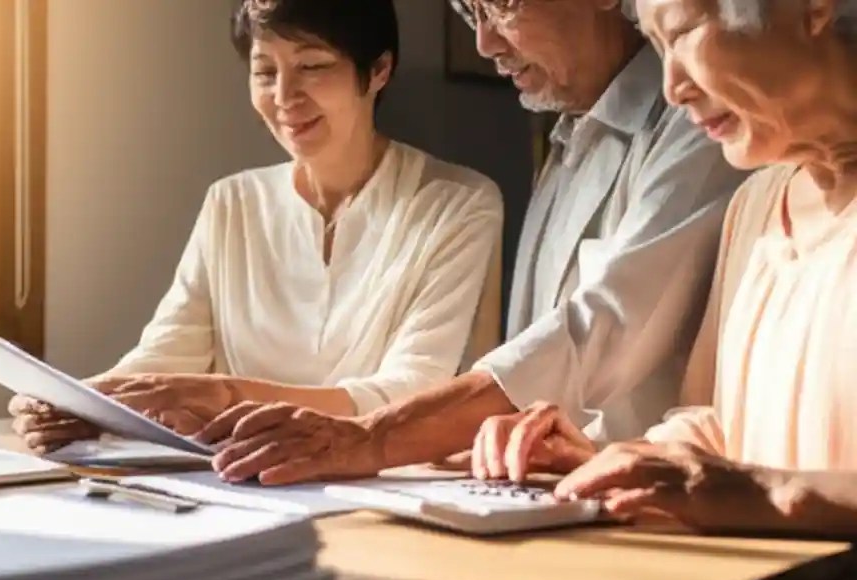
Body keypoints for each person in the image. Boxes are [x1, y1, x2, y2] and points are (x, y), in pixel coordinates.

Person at [195, 0, 748, 485]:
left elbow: (605, 325)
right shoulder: (566, 143)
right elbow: (532, 367)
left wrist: (374, 436)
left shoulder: (698, 124)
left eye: (503, 4)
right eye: (470, 12)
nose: (485, 42)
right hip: (555, 492)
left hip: (663, 505)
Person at [11, 0, 504, 453]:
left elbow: (412, 392)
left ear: (378, 71)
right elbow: (164, 359)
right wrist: (71, 401)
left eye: (312, 66)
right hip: (236, 484)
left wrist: (226, 395)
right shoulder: (232, 203)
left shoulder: (458, 204)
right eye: (265, 71)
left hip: (384, 488)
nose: (285, 96)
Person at [470, 0, 857, 535]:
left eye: (682, 35)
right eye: (658, 47)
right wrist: (613, 461)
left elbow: (752, 482)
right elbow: (714, 424)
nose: (673, 87)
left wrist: (768, 491)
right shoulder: (757, 205)